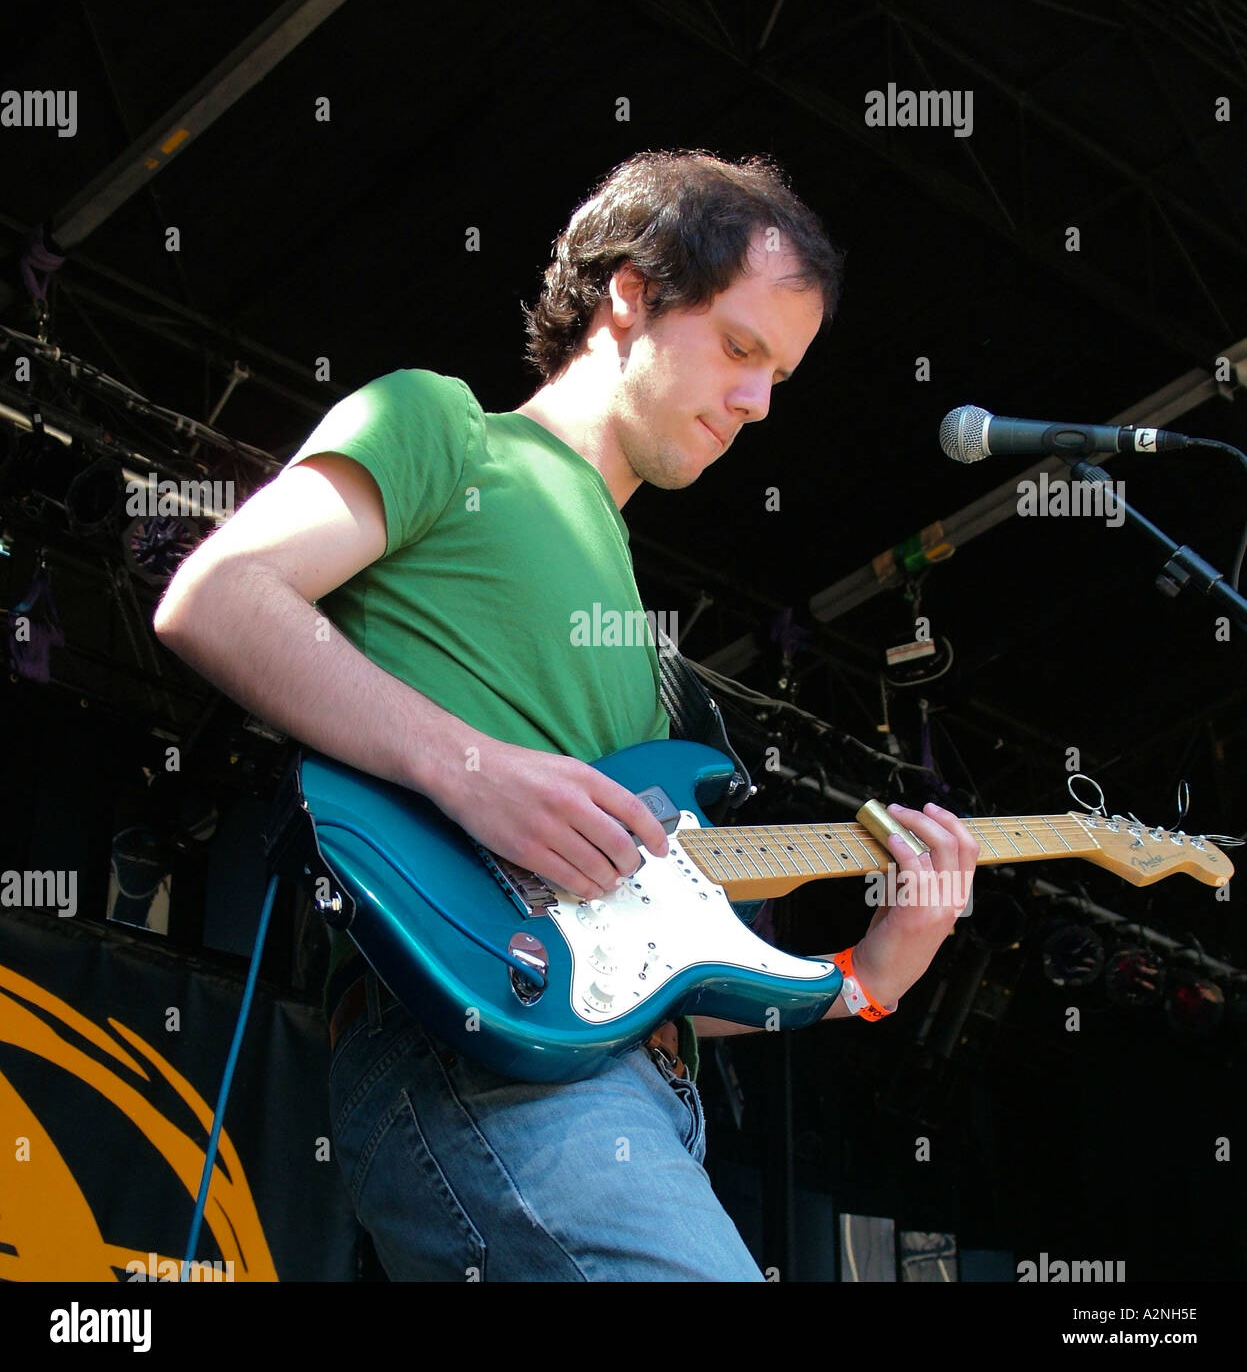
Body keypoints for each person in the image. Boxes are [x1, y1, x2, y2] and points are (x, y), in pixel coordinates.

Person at [153, 149, 978, 1281]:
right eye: (740, 348)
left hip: (626, 1099)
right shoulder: (443, 425)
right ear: (629, 294)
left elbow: (635, 965)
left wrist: (870, 974)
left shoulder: (648, 666)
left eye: (778, 375)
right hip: (488, 1082)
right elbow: (215, 596)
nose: (756, 403)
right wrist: (471, 769)